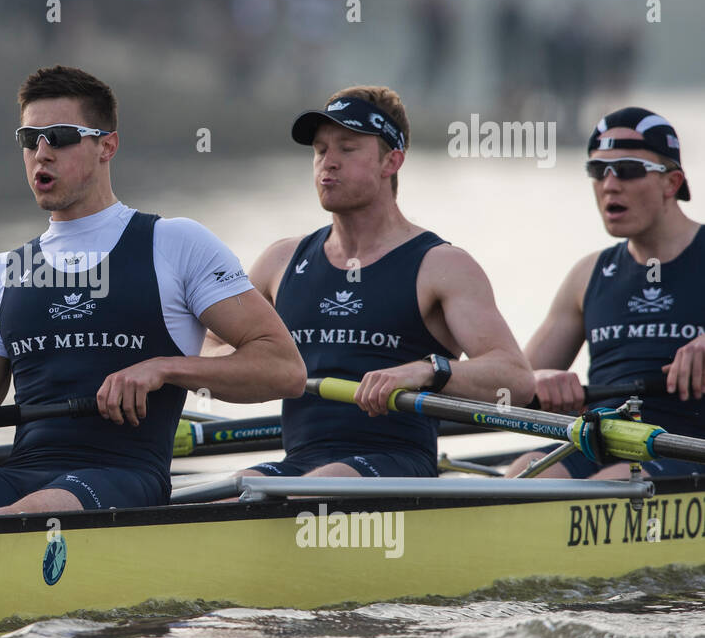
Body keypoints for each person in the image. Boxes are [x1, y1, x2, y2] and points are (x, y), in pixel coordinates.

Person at [0, 65, 306, 515]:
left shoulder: (174, 244)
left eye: (59, 137)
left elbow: (283, 369)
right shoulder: (3, 273)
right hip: (22, 471)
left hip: (123, 477)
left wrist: (166, 369)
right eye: (29, 139)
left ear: (106, 146)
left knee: (21, 516)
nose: (41, 153)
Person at [216, 86, 533, 479]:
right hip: (299, 463)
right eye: (319, 150)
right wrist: (248, 368)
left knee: (308, 489)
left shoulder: (440, 265)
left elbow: (515, 379)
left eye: (347, 149)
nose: (327, 163)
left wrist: (427, 371)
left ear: (391, 161)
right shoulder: (281, 261)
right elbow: (212, 345)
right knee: (237, 488)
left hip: (395, 465)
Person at [507, 107, 703, 479]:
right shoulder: (588, 274)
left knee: (609, 485)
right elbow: (513, 383)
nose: (610, 185)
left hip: (687, 444)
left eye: (628, 170)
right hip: (602, 438)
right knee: (523, 473)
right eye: (598, 171)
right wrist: (540, 380)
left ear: (672, 182)